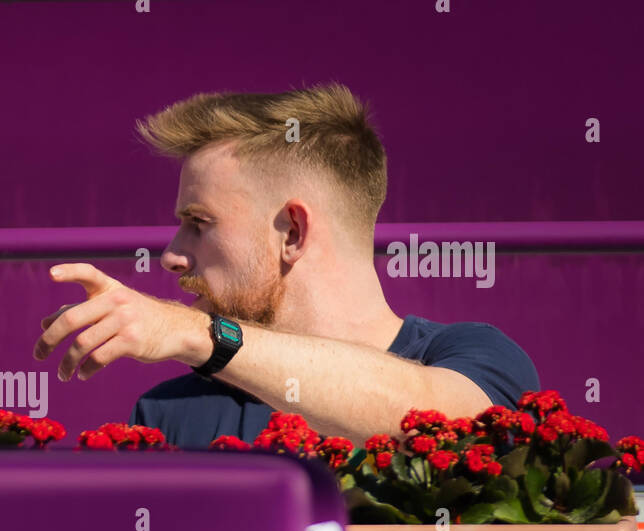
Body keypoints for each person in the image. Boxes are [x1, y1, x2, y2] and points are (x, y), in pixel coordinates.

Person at [32, 84, 538, 449]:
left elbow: (454, 426)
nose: (171, 255)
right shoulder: (169, 414)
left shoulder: (472, 355)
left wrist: (198, 334)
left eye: (199, 222)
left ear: (292, 232)